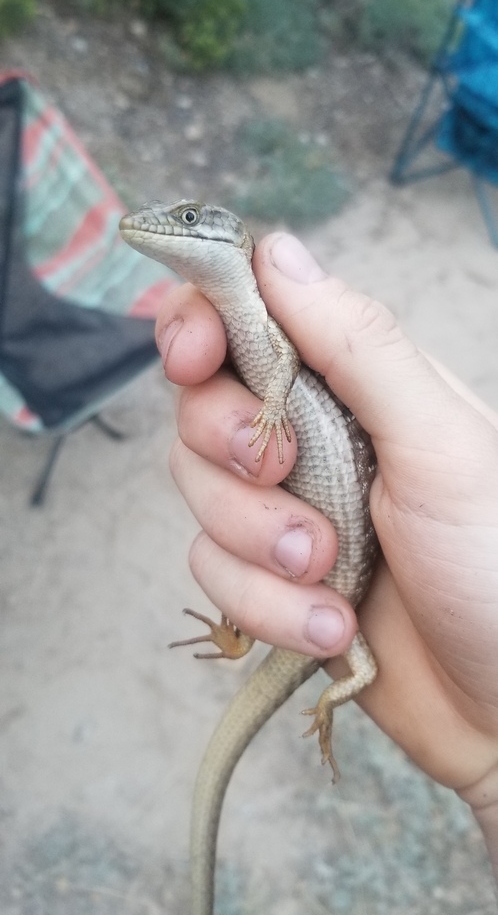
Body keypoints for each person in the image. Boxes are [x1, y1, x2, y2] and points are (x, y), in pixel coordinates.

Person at [155, 230, 498, 883]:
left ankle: (241, 640)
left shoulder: (261, 312)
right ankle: (240, 639)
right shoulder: (231, 322)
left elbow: (282, 362)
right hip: (339, 610)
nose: (173, 222)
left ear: (229, 235)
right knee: (294, 582)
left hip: (333, 594)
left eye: (191, 217)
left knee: (290, 574)